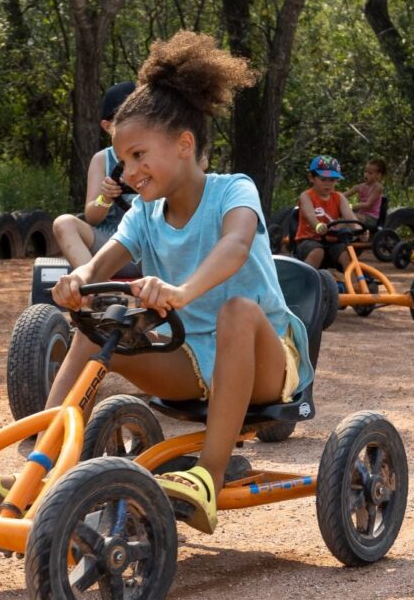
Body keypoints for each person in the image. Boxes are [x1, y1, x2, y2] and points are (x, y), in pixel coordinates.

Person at [40, 32, 313, 533]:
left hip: (264, 359)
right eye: (123, 160)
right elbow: (100, 264)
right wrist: (77, 280)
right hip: (192, 357)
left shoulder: (234, 190)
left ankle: (207, 475)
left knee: (235, 309)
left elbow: (234, 246)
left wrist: (181, 292)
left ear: (185, 145)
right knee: (94, 328)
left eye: (141, 155)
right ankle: (40, 464)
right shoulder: (144, 213)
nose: (130, 171)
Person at [51, 80, 139, 265]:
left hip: (155, 247)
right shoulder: (102, 160)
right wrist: (105, 198)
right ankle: (94, 285)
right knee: (64, 223)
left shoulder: (161, 153)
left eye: (140, 115)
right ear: (108, 126)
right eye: (125, 117)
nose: (135, 123)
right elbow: (91, 216)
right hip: (112, 247)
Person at [292, 155, 356, 269]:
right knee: (317, 252)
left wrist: (360, 229)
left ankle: (356, 284)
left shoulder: (339, 198)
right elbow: (311, 216)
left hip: (332, 241)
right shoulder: (306, 196)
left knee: (348, 255)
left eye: (332, 180)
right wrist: (318, 225)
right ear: (312, 178)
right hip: (308, 240)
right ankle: (305, 282)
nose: (328, 183)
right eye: (323, 179)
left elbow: (350, 218)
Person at [347, 158, 388, 229]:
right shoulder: (359, 187)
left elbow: (367, 205)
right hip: (361, 214)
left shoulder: (378, 187)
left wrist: (349, 206)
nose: (366, 175)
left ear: (378, 175)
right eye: (365, 172)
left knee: (348, 216)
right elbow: (342, 195)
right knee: (341, 215)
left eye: (370, 173)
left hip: (371, 218)